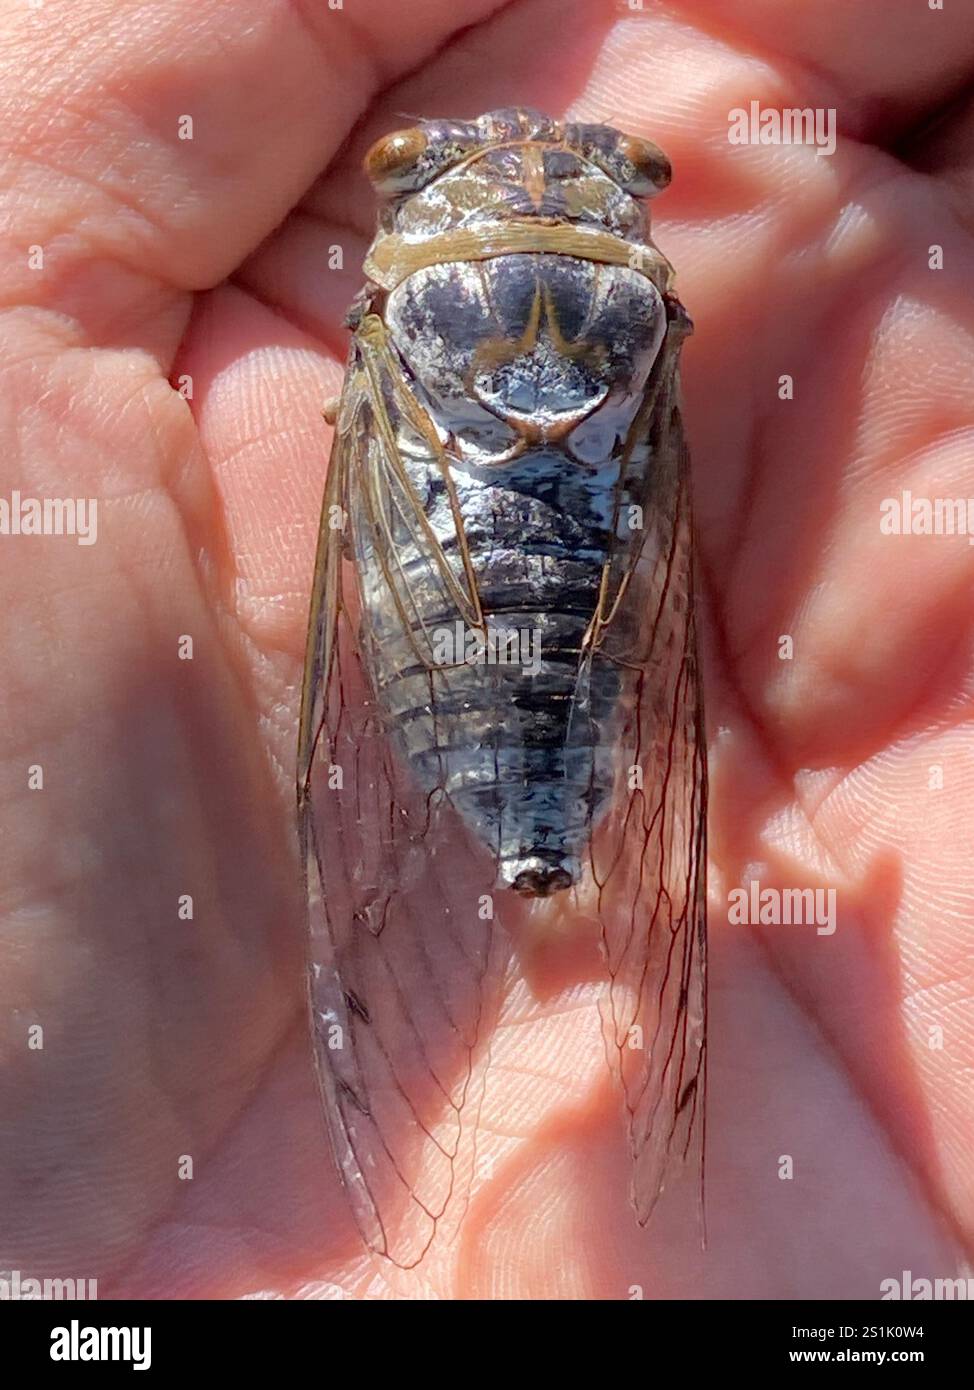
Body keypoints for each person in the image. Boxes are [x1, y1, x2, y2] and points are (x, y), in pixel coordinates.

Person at [1, 0, 971, 1299]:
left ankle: (502, 836)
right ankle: (564, 822)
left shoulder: (394, 303)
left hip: (436, 628)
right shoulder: (638, 312)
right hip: (581, 602)